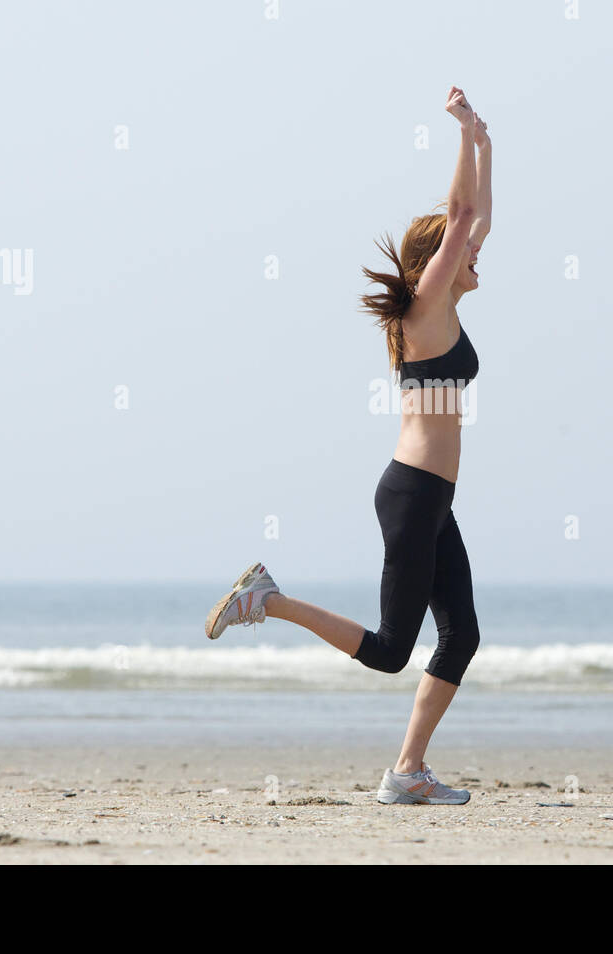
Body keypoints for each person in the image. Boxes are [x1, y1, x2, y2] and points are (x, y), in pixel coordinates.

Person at [207, 86, 491, 805]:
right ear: (439, 264)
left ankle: (407, 773)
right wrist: (461, 133)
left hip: (432, 498)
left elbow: (473, 216)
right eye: (467, 253)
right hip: (413, 493)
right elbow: (460, 217)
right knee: (396, 650)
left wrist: (486, 145)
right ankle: (266, 602)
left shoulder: (439, 311)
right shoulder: (427, 311)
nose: (478, 254)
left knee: (460, 636)